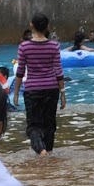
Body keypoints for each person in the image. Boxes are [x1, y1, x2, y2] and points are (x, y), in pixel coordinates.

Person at [10, 15, 65, 155]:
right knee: (49, 125)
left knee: (33, 126)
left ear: (31, 25)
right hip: (52, 90)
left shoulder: (24, 47)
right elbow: (58, 71)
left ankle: (41, 151)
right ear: (47, 27)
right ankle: (49, 154)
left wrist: (16, 93)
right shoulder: (54, 45)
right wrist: (63, 93)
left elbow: (20, 72)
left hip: (32, 90)